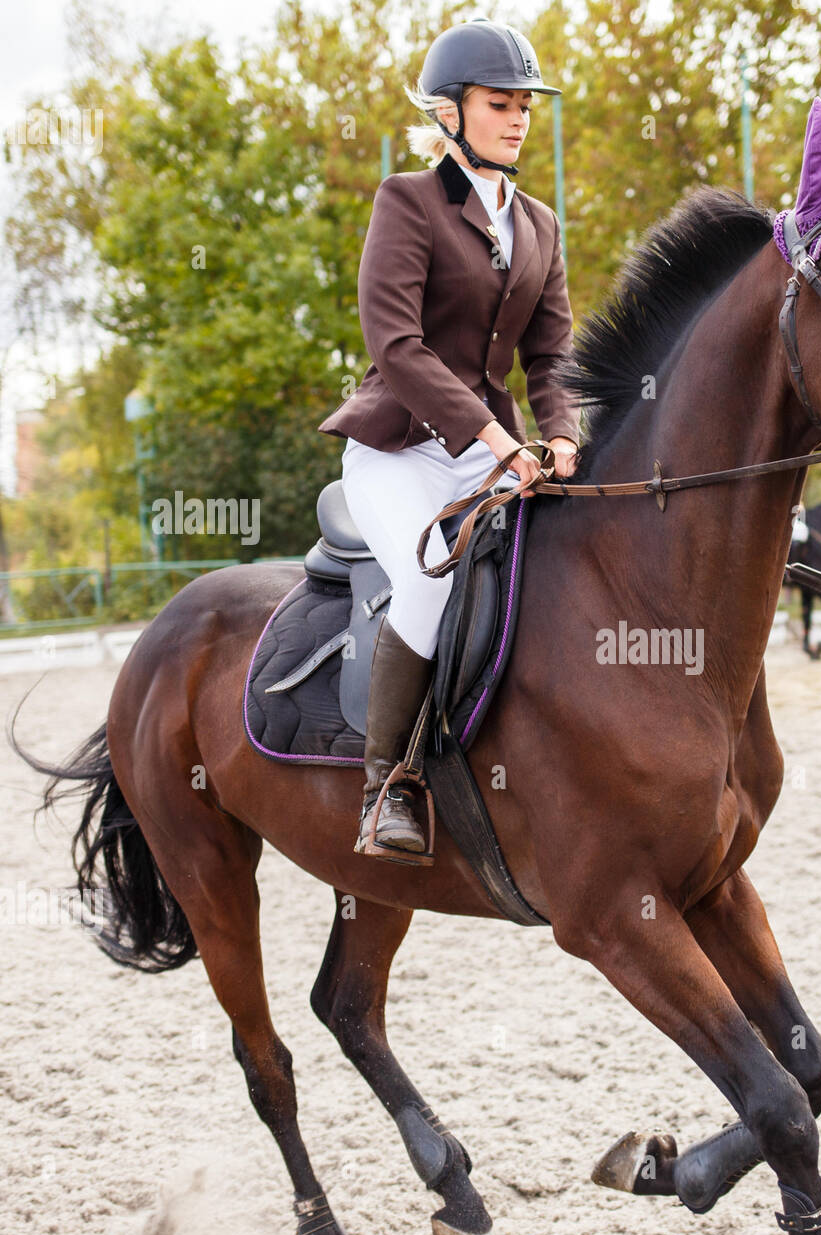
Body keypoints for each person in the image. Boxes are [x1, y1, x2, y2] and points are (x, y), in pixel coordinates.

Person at [318, 18, 580, 861]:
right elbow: (396, 347)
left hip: (485, 445)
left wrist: (564, 434)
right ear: (449, 113)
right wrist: (498, 441)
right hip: (397, 448)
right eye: (500, 105)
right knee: (432, 582)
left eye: (525, 109)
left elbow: (552, 355)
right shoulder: (408, 202)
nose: (517, 121)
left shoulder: (538, 223)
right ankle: (385, 788)